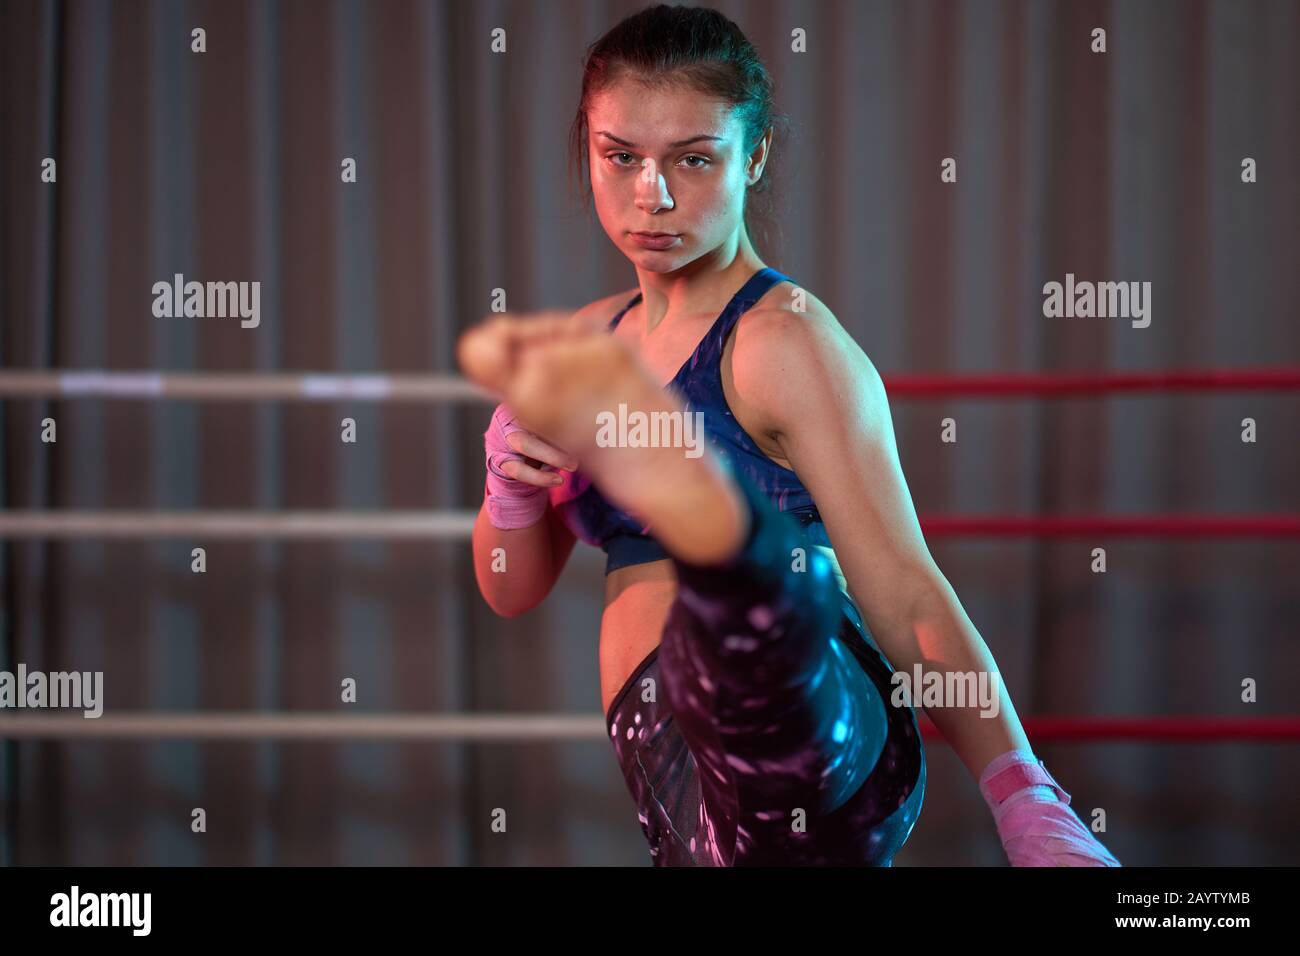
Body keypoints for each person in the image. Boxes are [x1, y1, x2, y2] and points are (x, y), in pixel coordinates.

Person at [459, 4, 1120, 867]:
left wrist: (1021, 792)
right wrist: (509, 490)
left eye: (693, 159)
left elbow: (907, 592)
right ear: (587, 144)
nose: (650, 194)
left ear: (754, 155)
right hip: (686, 796)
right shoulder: (586, 341)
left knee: (741, 639)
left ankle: (745, 576)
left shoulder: (783, 342)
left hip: (817, 748)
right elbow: (511, 592)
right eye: (621, 156)